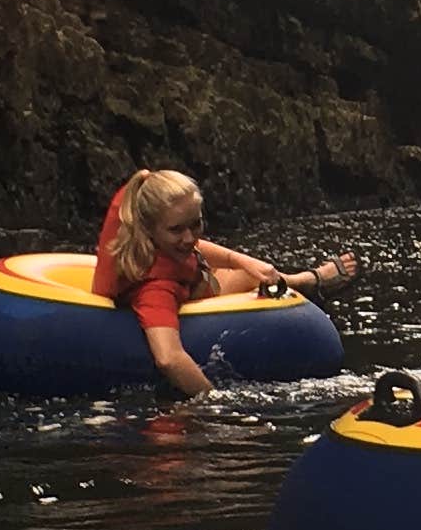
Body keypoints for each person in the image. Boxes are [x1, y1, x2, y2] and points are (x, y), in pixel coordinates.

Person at [93, 168, 358, 402]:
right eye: (176, 230)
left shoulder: (156, 233)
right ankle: (308, 282)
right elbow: (168, 358)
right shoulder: (157, 289)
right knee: (247, 279)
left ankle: (303, 281)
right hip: (187, 292)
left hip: (194, 279)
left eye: (195, 224)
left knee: (250, 272)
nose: (189, 237)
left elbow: (195, 248)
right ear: (149, 230)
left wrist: (243, 260)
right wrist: (214, 400)